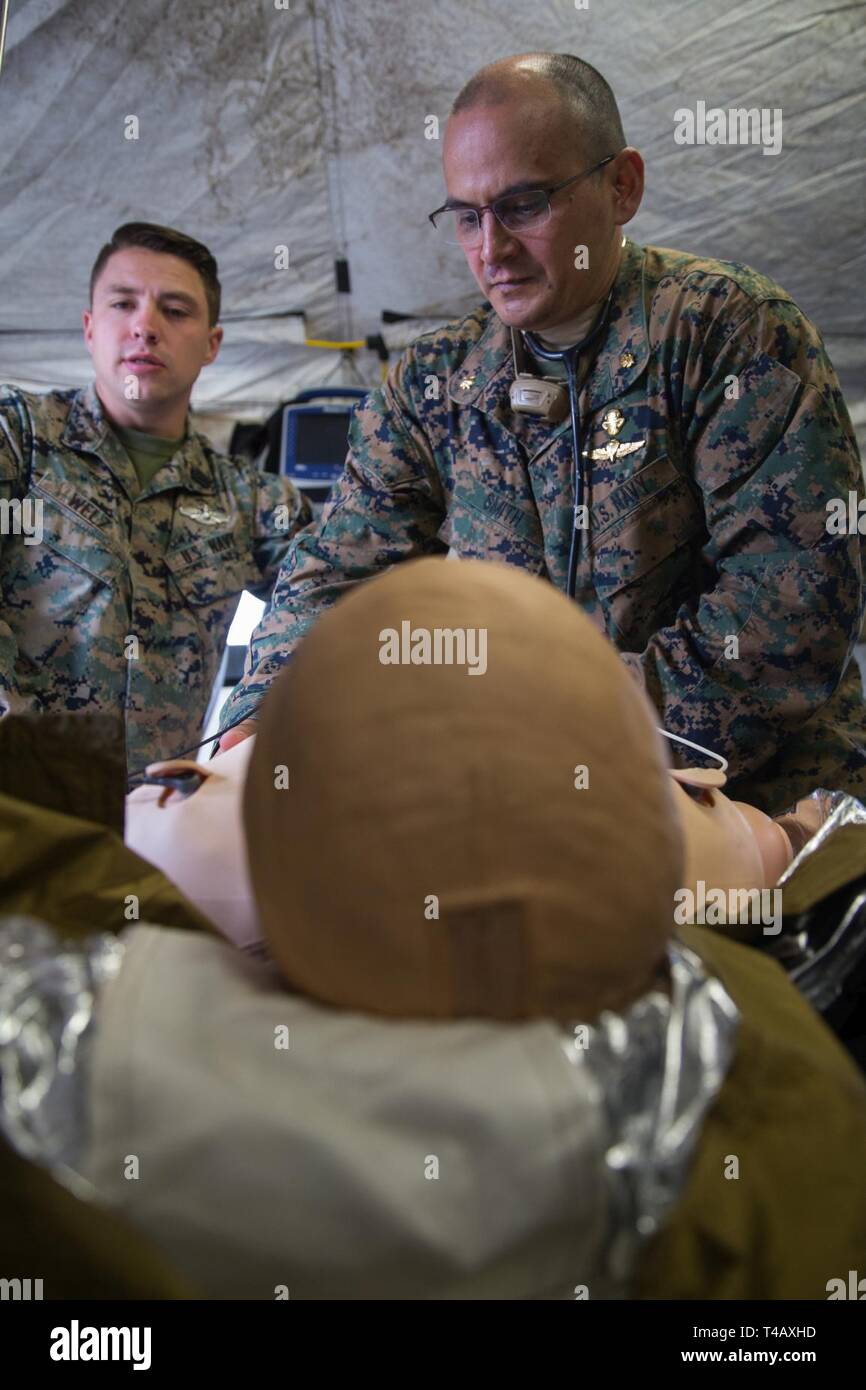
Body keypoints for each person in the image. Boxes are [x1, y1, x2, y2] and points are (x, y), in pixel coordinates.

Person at [217, 53, 865, 815]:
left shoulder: (727, 335)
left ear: (621, 186)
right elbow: (337, 573)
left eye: (524, 204)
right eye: (466, 215)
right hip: (533, 809)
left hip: (756, 805)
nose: (490, 248)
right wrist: (265, 717)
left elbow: (785, 616)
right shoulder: (434, 384)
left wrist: (550, 740)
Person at [0, 222, 311, 771]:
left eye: (176, 310)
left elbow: (330, 599)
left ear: (212, 343)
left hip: (158, 820)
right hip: (19, 812)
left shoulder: (251, 501)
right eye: (123, 304)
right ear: (90, 328)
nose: (145, 326)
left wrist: (254, 718)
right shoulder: (18, 442)